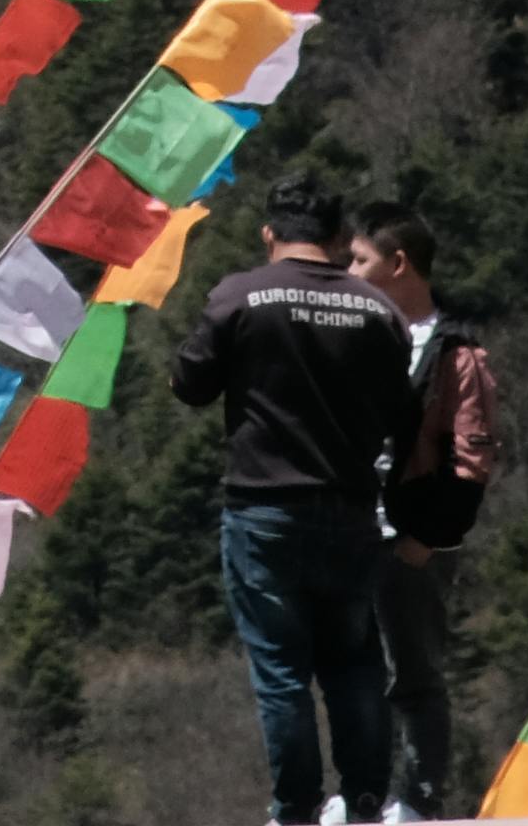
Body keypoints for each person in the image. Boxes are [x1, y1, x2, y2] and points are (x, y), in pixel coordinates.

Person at [170, 178, 419, 826]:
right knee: (355, 662)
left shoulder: (239, 296)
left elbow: (189, 383)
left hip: (264, 511)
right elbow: (403, 412)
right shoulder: (376, 310)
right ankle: (365, 800)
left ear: (269, 235)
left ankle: (297, 809)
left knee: (281, 671)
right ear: (340, 241)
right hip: (352, 509)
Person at [360, 207, 499, 825]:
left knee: (412, 672)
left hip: (410, 537)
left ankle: (418, 796)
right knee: (349, 673)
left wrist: (426, 538)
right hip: (346, 530)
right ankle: (360, 792)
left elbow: (472, 460)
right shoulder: (355, 336)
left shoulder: (457, 353)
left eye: (360, 260)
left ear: (398, 264)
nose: (349, 272)